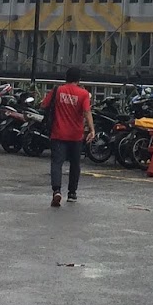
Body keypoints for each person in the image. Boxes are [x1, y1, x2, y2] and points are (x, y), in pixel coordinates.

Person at [42, 66, 94, 207]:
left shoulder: (57, 91)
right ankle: (72, 193)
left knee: (57, 163)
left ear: (66, 77)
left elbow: (44, 104)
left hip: (58, 133)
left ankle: (57, 191)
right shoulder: (83, 94)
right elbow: (87, 112)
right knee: (75, 165)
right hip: (76, 135)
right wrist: (92, 130)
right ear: (79, 79)